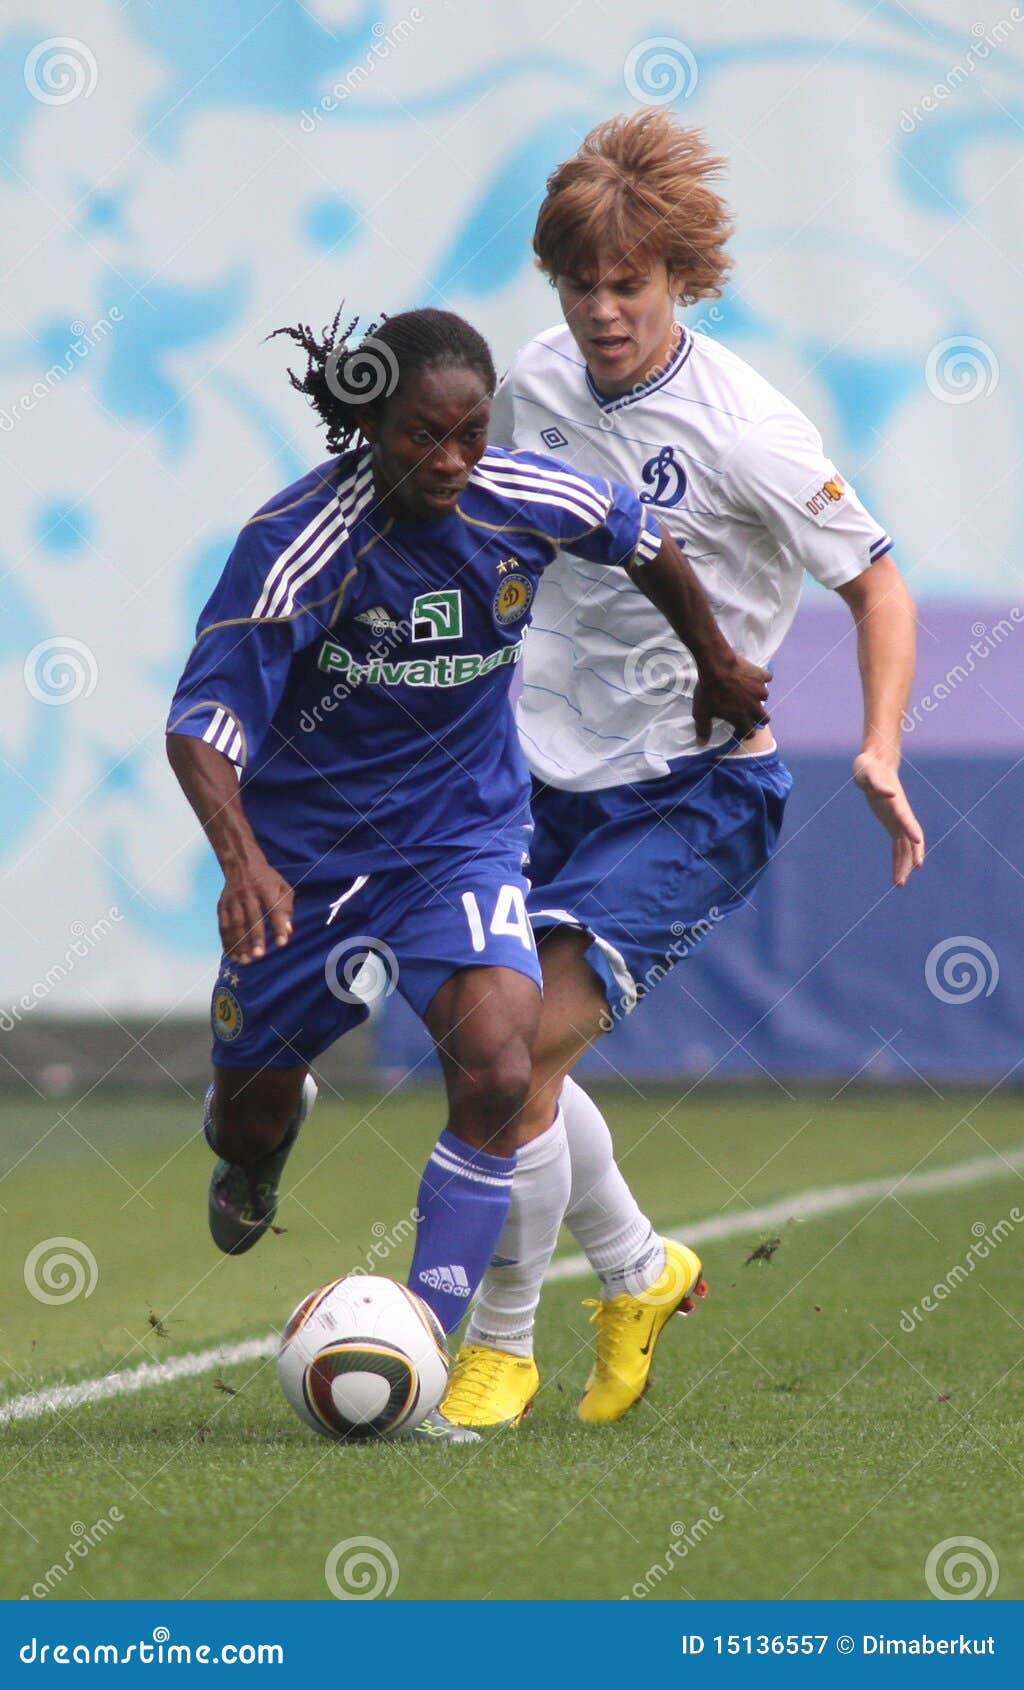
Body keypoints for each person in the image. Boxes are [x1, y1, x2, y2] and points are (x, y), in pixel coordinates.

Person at [165, 303, 769, 1441]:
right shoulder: (300, 542)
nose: (447, 463)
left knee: (498, 1067)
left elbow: (640, 537)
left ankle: (430, 1354)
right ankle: (256, 1137)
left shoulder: (520, 496)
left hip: (462, 840)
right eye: (419, 438)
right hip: (306, 865)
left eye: (467, 436)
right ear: (370, 425)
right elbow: (201, 723)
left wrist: (720, 664)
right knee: (245, 1118)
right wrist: (243, 863)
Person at [441, 111, 925, 1431]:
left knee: (523, 1051)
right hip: (536, 769)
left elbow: (878, 584)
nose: (603, 311)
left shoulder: (747, 429)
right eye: (580, 284)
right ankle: (641, 1267)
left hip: (696, 790)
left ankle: (499, 1347)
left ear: (684, 280)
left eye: (630, 285)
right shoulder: (533, 383)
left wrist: (879, 746)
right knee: (488, 1054)